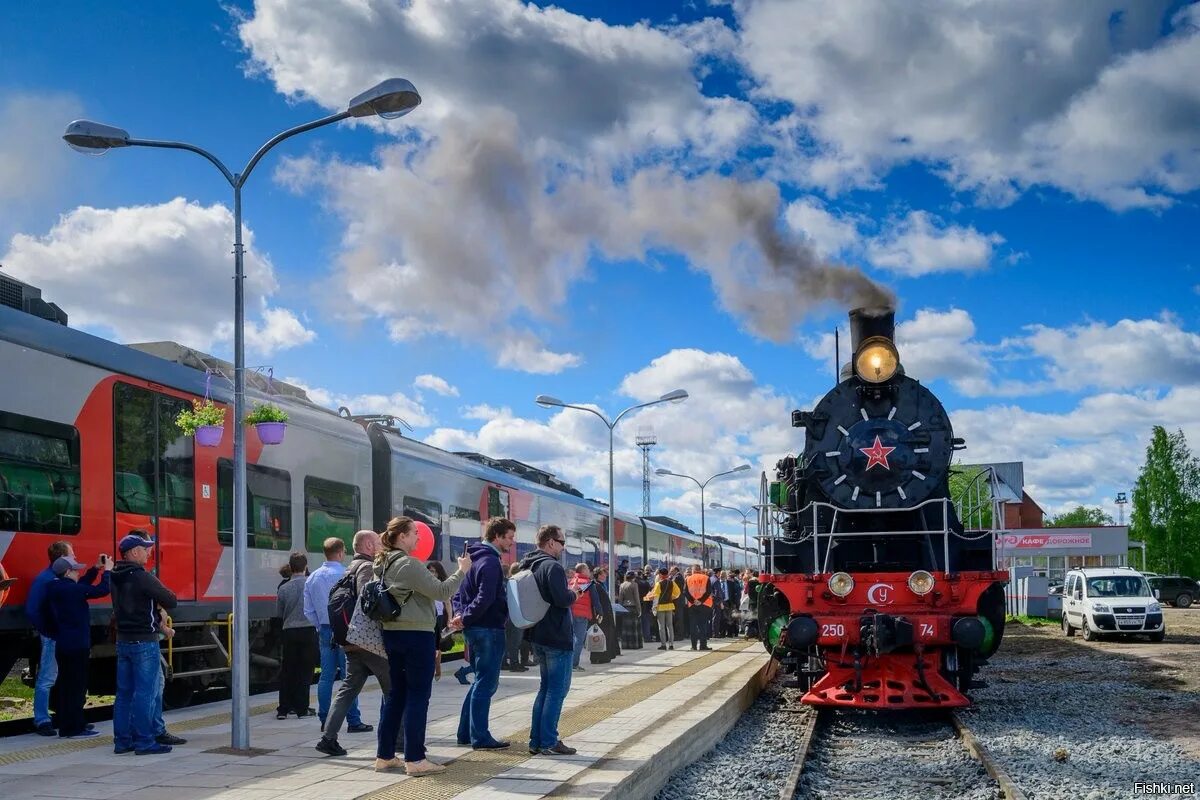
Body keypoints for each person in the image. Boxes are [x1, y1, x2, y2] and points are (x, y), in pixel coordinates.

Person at [374, 516, 469, 777]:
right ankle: (415, 759)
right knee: (418, 695)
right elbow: (441, 591)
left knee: (396, 696)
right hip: (416, 636)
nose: (418, 537)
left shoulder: (382, 563)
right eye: (414, 533)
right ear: (402, 536)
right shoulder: (408, 565)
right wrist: (462, 570)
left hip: (392, 634)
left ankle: (384, 755)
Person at [317, 531, 388, 757]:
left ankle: (328, 738)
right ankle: (397, 742)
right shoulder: (366, 568)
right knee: (394, 690)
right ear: (368, 545)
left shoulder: (348, 568)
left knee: (347, 690)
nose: (381, 546)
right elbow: (367, 601)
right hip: (367, 641)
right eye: (378, 542)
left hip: (350, 641)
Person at [111, 531, 177, 755]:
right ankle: (145, 741)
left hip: (123, 641)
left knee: (124, 693)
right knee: (145, 693)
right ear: (134, 552)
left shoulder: (114, 575)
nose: (149, 553)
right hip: (144, 641)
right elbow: (170, 600)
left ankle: (122, 741)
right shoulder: (142, 576)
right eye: (145, 549)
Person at [452, 516, 516, 750]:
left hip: (474, 628)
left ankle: (464, 733)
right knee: (487, 684)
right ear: (497, 536)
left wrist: (460, 616)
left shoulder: (470, 560)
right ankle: (480, 737)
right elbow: (485, 598)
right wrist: (466, 617)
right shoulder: (490, 562)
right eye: (508, 537)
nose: (511, 542)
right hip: (488, 628)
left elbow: (457, 594)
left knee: (479, 681)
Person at [518, 524, 581, 756]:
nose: (563, 548)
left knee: (545, 689)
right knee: (557, 690)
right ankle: (549, 742)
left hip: (537, 634)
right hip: (556, 636)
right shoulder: (552, 567)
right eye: (562, 542)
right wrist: (575, 592)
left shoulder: (528, 564)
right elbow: (562, 600)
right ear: (551, 542)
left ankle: (536, 740)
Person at [304, 537, 366, 733]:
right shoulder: (346, 574)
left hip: (324, 629)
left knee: (326, 676)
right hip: (346, 630)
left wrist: (320, 626)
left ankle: (325, 719)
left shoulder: (312, 577)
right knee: (350, 677)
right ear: (341, 553)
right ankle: (353, 721)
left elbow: (308, 610)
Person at [45, 554, 110, 738]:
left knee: (66, 686)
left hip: (64, 644)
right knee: (77, 687)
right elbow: (101, 590)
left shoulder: (57, 587)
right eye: (75, 569)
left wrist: (95, 569)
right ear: (68, 572)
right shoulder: (71, 590)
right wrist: (108, 572)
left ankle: (69, 722)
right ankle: (73, 728)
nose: (78, 572)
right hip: (77, 645)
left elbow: (82, 585)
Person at [25, 540, 78, 736]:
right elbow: (32, 610)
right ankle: (42, 720)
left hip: (60, 636)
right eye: (72, 554)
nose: (75, 558)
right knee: (47, 678)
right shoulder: (47, 580)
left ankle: (65, 717)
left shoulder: (50, 578)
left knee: (59, 677)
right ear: (63, 558)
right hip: (53, 636)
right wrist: (47, 630)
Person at [278, 552, 318, 721]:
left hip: (289, 631)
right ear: (305, 566)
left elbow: (279, 612)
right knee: (305, 671)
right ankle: (302, 709)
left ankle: (283, 709)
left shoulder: (283, 588)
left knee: (288, 670)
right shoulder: (311, 584)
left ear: (291, 566)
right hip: (308, 631)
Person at [568, 564, 600, 671]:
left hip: (571, 613)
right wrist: (600, 612)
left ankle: (569, 663)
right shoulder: (588, 583)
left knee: (572, 639)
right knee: (579, 640)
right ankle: (573, 665)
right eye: (587, 569)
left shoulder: (571, 581)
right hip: (582, 614)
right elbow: (595, 600)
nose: (589, 571)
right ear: (583, 571)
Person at [503, 562, 531, 672]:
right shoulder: (514, 583)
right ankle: (514, 664)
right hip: (515, 616)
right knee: (515, 641)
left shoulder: (505, 583)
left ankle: (504, 662)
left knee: (507, 641)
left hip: (506, 616)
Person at [589, 566, 619, 665]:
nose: (605, 575)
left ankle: (603, 656)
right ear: (598, 575)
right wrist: (599, 613)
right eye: (603, 574)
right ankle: (600, 657)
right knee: (601, 636)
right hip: (601, 615)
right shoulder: (596, 585)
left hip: (605, 614)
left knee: (604, 635)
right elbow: (596, 601)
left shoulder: (600, 585)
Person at [647, 568, 680, 649]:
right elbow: (678, 593)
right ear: (667, 574)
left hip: (660, 607)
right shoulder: (672, 583)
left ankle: (663, 645)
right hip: (669, 606)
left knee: (661, 626)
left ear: (660, 575)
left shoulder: (659, 584)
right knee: (670, 626)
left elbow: (656, 597)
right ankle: (671, 644)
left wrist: (654, 608)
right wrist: (671, 597)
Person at [684, 565, 713, 651]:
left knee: (693, 626)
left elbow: (685, 592)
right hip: (704, 605)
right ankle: (703, 645)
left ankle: (693, 646)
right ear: (700, 570)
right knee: (703, 626)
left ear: (693, 571)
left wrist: (693, 601)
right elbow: (708, 592)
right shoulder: (706, 578)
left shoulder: (687, 579)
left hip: (692, 606)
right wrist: (700, 600)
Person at [617, 571, 642, 650]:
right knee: (633, 627)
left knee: (625, 627)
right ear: (633, 577)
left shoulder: (622, 585)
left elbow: (620, 599)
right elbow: (637, 598)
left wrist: (620, 608)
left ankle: (625, 645)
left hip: (625, 607)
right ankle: (634, 645)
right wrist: (639, 609)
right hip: (633, 607)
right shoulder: (634, 585)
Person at [637, 570, 655, 643]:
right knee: (646, 621)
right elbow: (650, 594)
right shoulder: (646, 584)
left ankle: (640, 637)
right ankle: (647, 637)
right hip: (646, 604)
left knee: (639, 622)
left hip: (638, 604)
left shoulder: (636, 583)